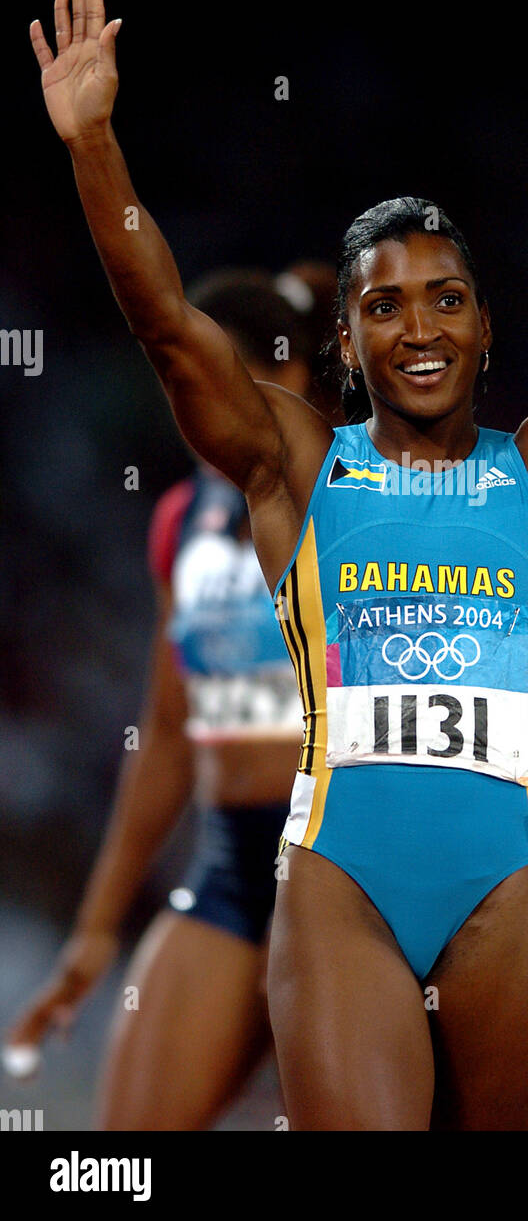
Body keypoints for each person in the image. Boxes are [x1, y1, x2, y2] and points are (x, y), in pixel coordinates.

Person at [28, 0, 528, 1129]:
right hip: (339, 878)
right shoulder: (295, 463)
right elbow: (165, 324)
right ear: (346, 340)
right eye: (385, 306)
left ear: (483, 323)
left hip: (504, 883)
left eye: (445, 299)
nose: (419, 328)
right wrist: (93, 141)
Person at [4, 268, 330, 1129]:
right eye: (176, 377)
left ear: (290, 379)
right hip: (230, 866)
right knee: (126, 1156)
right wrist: (97, 928)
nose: (190, 400)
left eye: (209, 372)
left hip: (348, 871)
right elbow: (168, 729)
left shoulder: (353, 494)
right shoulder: (181, 521)